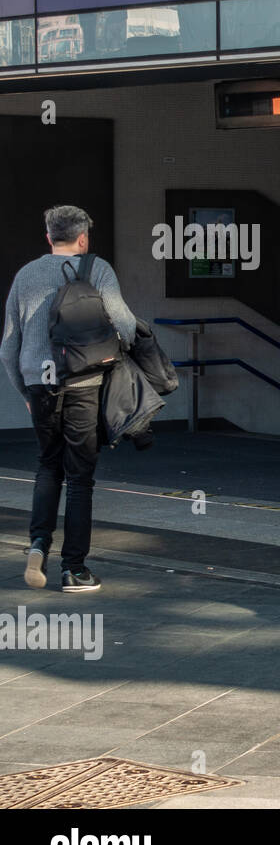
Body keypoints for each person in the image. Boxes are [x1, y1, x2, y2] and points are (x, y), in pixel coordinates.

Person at [1, 206, 137, 592]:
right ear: (83, 239)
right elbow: (125, 325)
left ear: (48, 237)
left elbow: (8, 347)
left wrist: (26, 391)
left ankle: (38, 543)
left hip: (39, 389)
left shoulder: (25, 275)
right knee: (80, 479)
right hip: (83, 385)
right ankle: (74, 568)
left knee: (48, 467)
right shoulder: (97, 270)